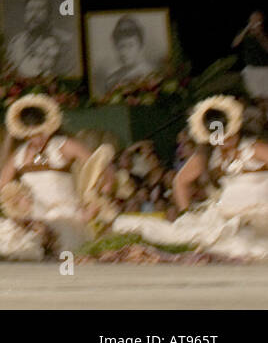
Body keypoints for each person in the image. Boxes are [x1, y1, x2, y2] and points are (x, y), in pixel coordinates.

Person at [0, 94, 113, 258]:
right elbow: (2, 188)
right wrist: (17, 200)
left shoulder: (63, 145)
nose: (37, 139)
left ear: (49, 127)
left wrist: (97, 202)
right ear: (23, 133)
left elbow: (101, 166)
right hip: (33, 215)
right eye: (32, 135)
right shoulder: (19, 155)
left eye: (41, 133)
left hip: (66, 214)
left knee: (59, 238)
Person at [112, 96, 268, 259]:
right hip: (227, 213)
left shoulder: (254, 148)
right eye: (218, 135)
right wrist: (186, 214)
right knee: (187, 235)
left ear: (236, 128)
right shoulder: (210, 156)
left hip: (260, 214)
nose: (224, 140)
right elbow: (180, 182)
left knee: (244, 243)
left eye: (228, 133)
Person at [6, 0, 74, 78]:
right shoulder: (16, 42)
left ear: (50, 15)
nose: (34, 15)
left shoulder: (65, 41)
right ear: (25, 15)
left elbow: (68, 74)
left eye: (40, 9)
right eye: (30, 10)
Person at [102, 15, 155, 93]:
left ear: (140, 46)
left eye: (130, 45)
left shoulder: (151, 75)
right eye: (121, 46)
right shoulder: (111, 81)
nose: (124, 51)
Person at [233, 11, 268, 99]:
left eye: (257, 19)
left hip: (264, 68)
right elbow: (235, 44)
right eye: (253, 19)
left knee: (265, 96)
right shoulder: (244, 32)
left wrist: (260, 35)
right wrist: (246, 29)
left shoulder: (264, 32)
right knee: (254, 97)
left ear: (261, 20)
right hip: (251, 69)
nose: (254, 21)